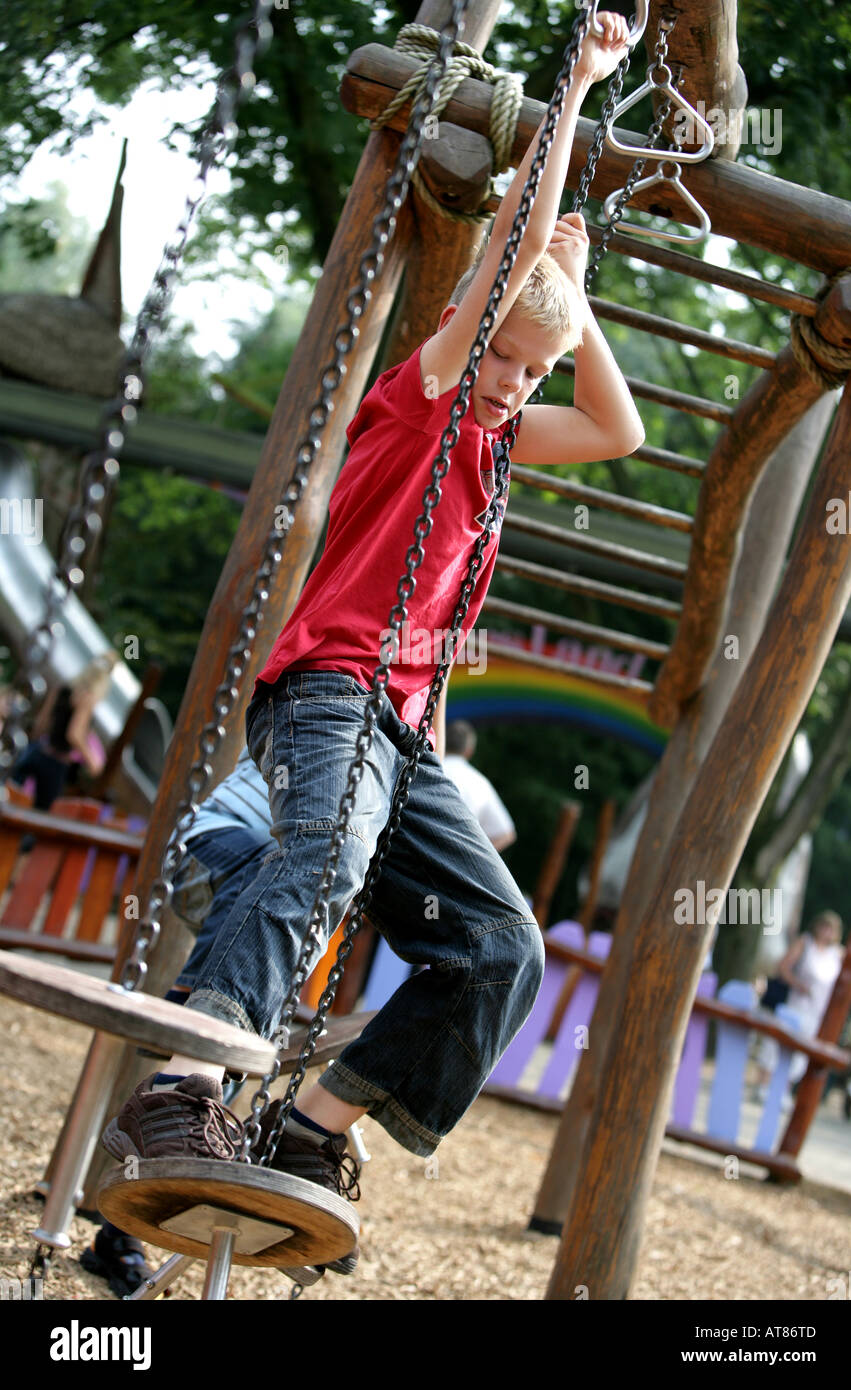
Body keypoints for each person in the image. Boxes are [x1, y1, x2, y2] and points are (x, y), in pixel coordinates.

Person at [101, 13, 642, 1274]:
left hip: (402, 733)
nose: (511, 386)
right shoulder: (425, 395)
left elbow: (611, 430)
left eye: (529, 372)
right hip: (329, 693)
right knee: (317, 857)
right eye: (502, 354)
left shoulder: (508, 433)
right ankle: (184, 1083)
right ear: (470, 328)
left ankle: (305, 1125)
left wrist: (573, 299)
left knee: (497, 946)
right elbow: (506, 250)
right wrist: (570, 95)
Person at [82, 749, 273, 1297]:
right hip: (218, 841)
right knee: (266, 871)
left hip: (278, 891)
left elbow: (430, 757)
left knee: (240, 1039)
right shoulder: (334, 676)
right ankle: (195, 1013)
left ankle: (118, 1235)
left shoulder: (419, 691)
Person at [7, 652, 117, 809]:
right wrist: (93, 761)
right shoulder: (86, 698)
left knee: (12, 796)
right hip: (56, 763)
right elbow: (74, 734)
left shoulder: (62, 688)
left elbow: (41, 725)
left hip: (39, 753)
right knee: (41, 814)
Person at [757, 910, 845, 1090]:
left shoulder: (837, 953)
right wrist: (798, 984)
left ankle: (784, 1089)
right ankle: (764, 1084)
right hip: (796, 1002)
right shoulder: (805, 943)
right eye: (824, 927)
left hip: (818, 1008)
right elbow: (782, 966)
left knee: (802, 1051)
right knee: (779, 1042)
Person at [442, 719, 516, 851]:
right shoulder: (481, 784)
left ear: (444, 740)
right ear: (469, 751)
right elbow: (506, 834)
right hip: (455, 859)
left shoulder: (427, 767)